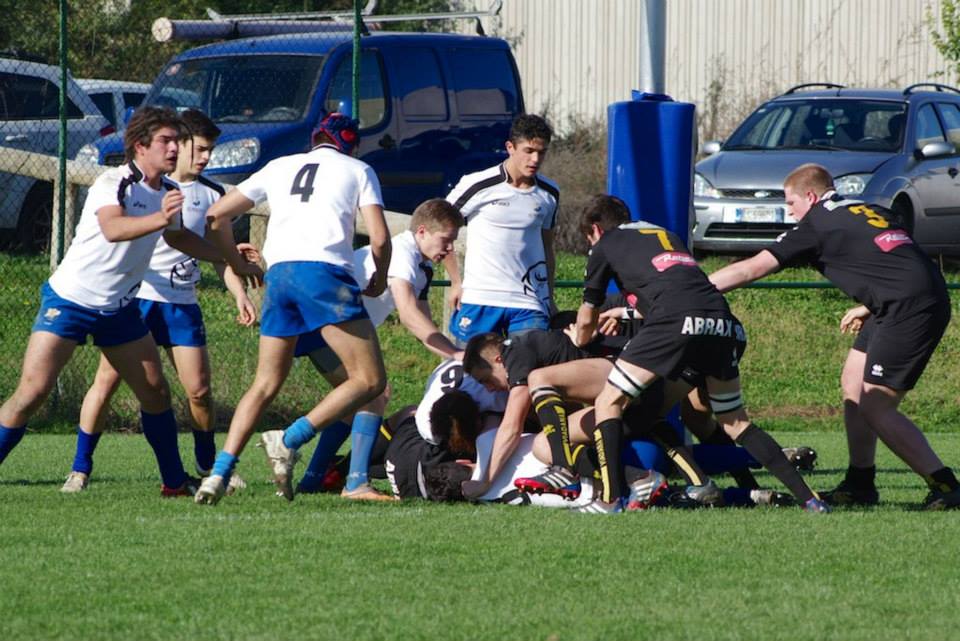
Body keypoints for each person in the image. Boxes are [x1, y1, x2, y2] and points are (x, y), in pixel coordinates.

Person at [0, 106, 247, 496]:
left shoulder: (169, 192)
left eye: (177, 142)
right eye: (166, 141)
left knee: (155, 392)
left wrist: (229, 257)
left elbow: (178, 238)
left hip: (120, 309)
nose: (174, 149)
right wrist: (160, 220)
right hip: (71, 300)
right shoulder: (113, 183)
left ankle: (174, 483)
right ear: (140, 146)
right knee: (32, 392)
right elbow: (113, 228)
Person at [709, 163, 959, 510]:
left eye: (791, 202)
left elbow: (751, 268)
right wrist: (870, 305)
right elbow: (893, 258)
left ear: (810, 196)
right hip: (904, 299)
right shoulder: (865, 208)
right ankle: (860, 483)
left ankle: (945, 485)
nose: (789, 211)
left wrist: (689, 290)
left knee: (875, 404)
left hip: (909, 307)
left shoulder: (815, 224)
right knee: (853, 384)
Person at [569, 194, 826, 513]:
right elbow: (681, 292)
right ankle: (810, 500)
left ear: (595, 229)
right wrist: (625, 315)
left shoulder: (605, 244)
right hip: (723, 323)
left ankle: (609, 500)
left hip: (675, 324)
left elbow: (586, 316)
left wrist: (581, 338)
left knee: (609, 401)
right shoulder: (666, 236)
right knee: (735, 421)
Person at [194, 112, 389, 505]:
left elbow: (215, 216)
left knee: (265, 384)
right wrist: (380, 276)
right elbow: (381, 239)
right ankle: (290, 439)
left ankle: (217, 475)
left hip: (280, 276)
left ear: (315, 139)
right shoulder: (358, 169)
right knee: (370, 381)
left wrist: (235, 262)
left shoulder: (280, 166)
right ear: (349, 144)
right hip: (324, 275)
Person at [293, 198, 465, 499]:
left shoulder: (421, 265)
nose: (449, 249)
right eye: (446, 240)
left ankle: (313, 479)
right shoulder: (401, 253)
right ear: (422, 231)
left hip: (328, 326)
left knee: (358, 399)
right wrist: (455, 355)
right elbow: (409, 315)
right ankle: (350, 480)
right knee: (373, 391)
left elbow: (422, 324)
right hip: (320, 325)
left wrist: (455, 356)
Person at [443, 114, 559, 344]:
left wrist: (550, 296)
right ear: (510, 147)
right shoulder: (477, 184)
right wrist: (456, 281)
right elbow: (442, 228)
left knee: (528, 371)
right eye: (528, 151)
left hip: (528, 303)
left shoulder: (549, 193)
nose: (535, 159)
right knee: (472, 375)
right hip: (481, 298)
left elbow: (547, 247)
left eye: (542, 152)